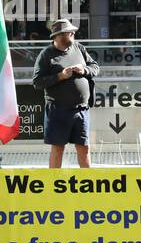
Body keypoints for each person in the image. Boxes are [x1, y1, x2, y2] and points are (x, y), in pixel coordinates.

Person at [33, 18, 101, 168]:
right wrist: (60, 76)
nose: (72, 34)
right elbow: (37, 82)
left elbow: (95, 67)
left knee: (84, 147)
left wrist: (84, 70)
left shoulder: (79, 48)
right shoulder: (46, 55)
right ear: (57, 36)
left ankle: (87, 184)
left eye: (72, 32)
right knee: (58, 148)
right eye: (68, 33)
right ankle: (54, 183)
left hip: (81, 109)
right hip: (58, 110)